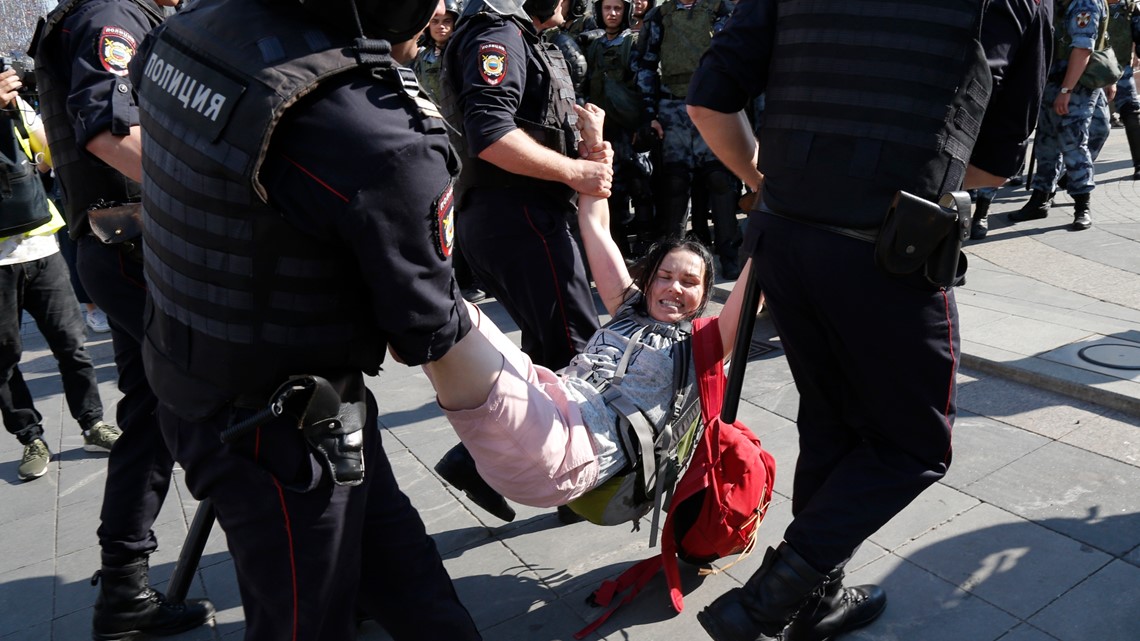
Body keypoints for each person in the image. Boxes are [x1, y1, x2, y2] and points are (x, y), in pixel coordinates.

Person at [686, 0, 1051, 638]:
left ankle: (815, 601)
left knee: (831, 417)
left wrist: (774, 181)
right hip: (885, 251)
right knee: (914, 444)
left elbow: (709, 102)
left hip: (785, 235)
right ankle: (767, 600)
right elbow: (997, 162)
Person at [131, 0, 482, 638]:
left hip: (195, 369)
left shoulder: (191, 27)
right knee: (304, 622)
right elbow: (424, 330)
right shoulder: (380, 134)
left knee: (404, 573)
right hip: (275, 430)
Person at [420, 102, 752, 506]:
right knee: (445, 318)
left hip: (566, 452)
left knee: (439, 313)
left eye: (690, 282)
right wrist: (594, 143)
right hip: (541, 408)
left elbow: (755, 286)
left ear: (704, 295)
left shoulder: (703, 346)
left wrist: (776, 202)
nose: (674, 288)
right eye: (665, 276)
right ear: (648, 281)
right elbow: (595, 225)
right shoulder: (629, 307)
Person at [30, 0, 216, 637]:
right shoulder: (110, 13)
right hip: (141, 246)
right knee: (228, 397)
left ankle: (123, 589)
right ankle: (305, 564)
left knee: (151, 415)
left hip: (128, 246)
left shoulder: (115, 11)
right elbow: (109, 132)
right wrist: (225, 195)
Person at [434, 0, 612, 521]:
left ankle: (477, 464)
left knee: (546, 357)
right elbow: (491, 134)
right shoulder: (497, 33)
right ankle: (578, 488)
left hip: (513, 216)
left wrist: (585, 151)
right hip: (518, 217)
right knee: (577, 350)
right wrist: (575, 173)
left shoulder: (515, 35)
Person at [0, 78, 120, 482]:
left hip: (41, 246)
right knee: (3, 358)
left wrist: (15, 111)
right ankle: (30, 437)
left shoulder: (13, 105)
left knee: (72, 345)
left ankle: (92, 424)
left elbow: (49, 155)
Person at [632, 0, 741, 279]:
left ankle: (729, 253)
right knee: (675, 183)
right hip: (672, 107)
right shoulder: (660, 15)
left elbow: (738, 58)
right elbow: (646, 65)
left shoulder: (722, 10)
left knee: (720, 180)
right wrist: (649, 114)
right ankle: (672, 258)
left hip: (713, 105)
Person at [1011, 0, 1106, 230]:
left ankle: (1082, 206)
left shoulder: (1084, 3)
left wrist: (1066, 90)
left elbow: (1083, 48)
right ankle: (1040, 199)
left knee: (1073, 143)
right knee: (1046, 143)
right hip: (1051, 81)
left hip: (1075, 86)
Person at [583, 0, 654, 257]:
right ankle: (619, 248)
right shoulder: (594, 46)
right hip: (606, 129)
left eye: (617, 8)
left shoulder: (632, 43)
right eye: (607, 8)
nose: (612, 13)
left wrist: (643, 122)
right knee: (614, 190)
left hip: (630, 128)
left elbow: (644, 83)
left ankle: (646, 245)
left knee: (641, 185)